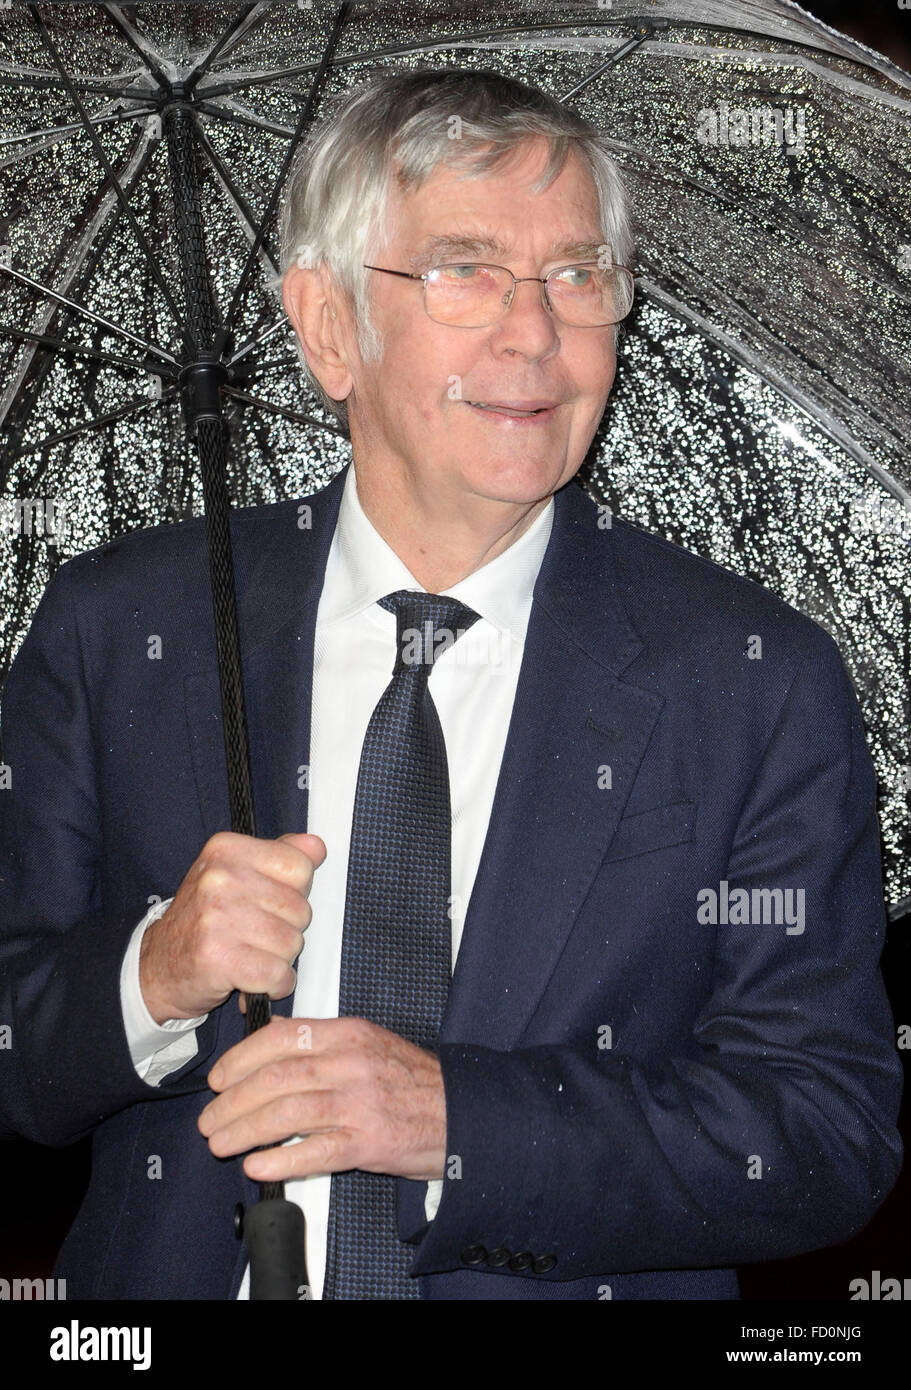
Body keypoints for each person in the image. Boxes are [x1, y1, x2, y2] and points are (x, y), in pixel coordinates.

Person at [0, 68, 902, 1301]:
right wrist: (151, 975)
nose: (534, 333)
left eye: (578, 275)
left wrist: (455, 1119)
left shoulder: (749, 679)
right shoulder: (122, 630)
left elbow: (819, 1131)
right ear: (328, 327)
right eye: (463, 269)